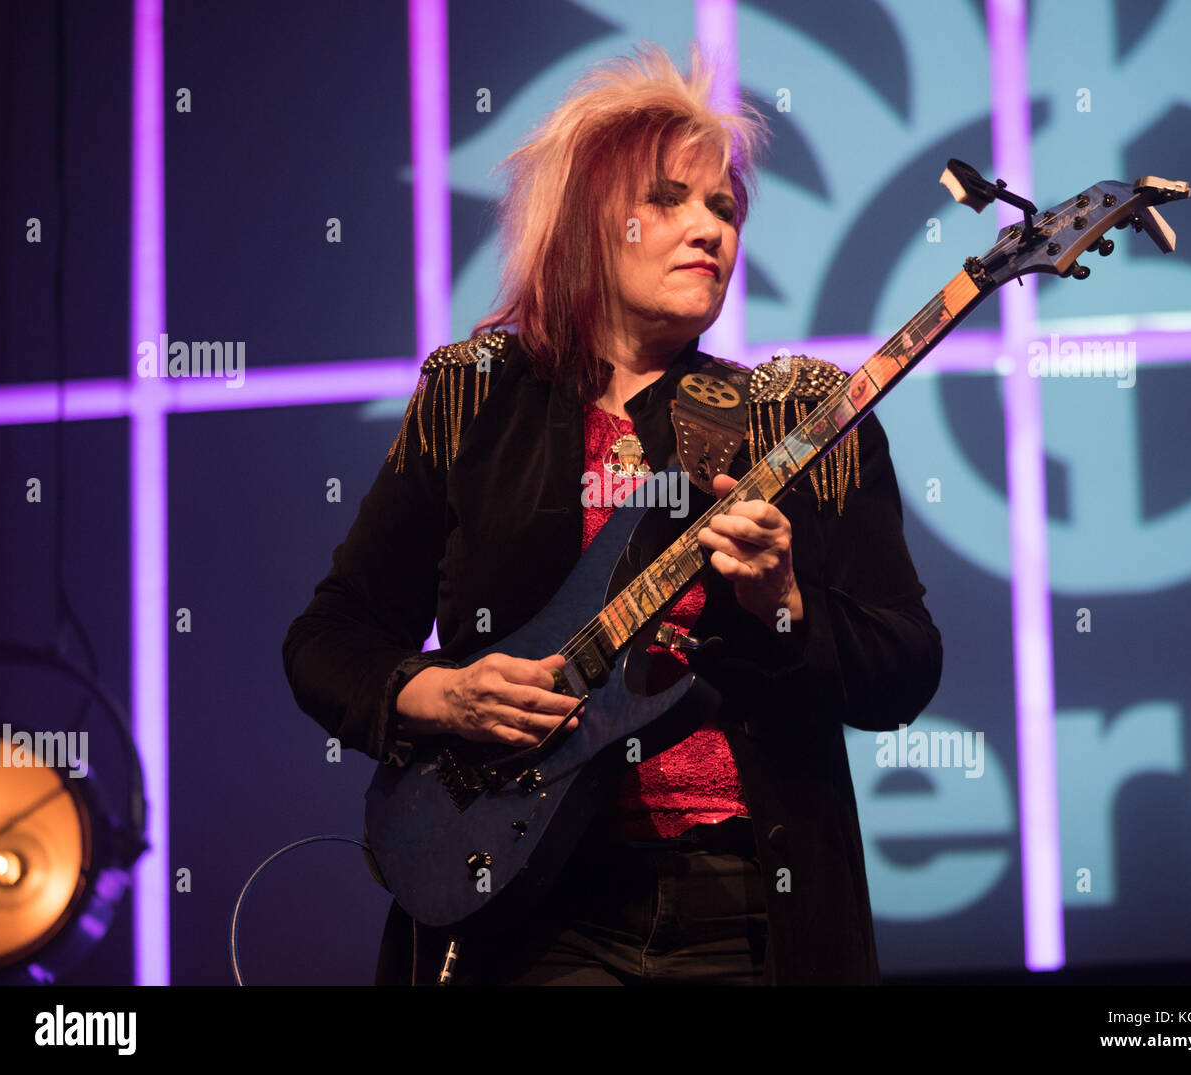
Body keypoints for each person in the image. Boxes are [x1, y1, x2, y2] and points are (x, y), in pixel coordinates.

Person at [282, 42, 942, 986]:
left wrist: (783, 602)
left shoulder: (799, 419)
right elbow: (329, 634)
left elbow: (904, 666)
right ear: (592, 220)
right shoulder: (472, 399)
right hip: (530, 912)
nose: (709, 228)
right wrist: (441, 695)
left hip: (747, 908)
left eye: (724, 207)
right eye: (670, 199)